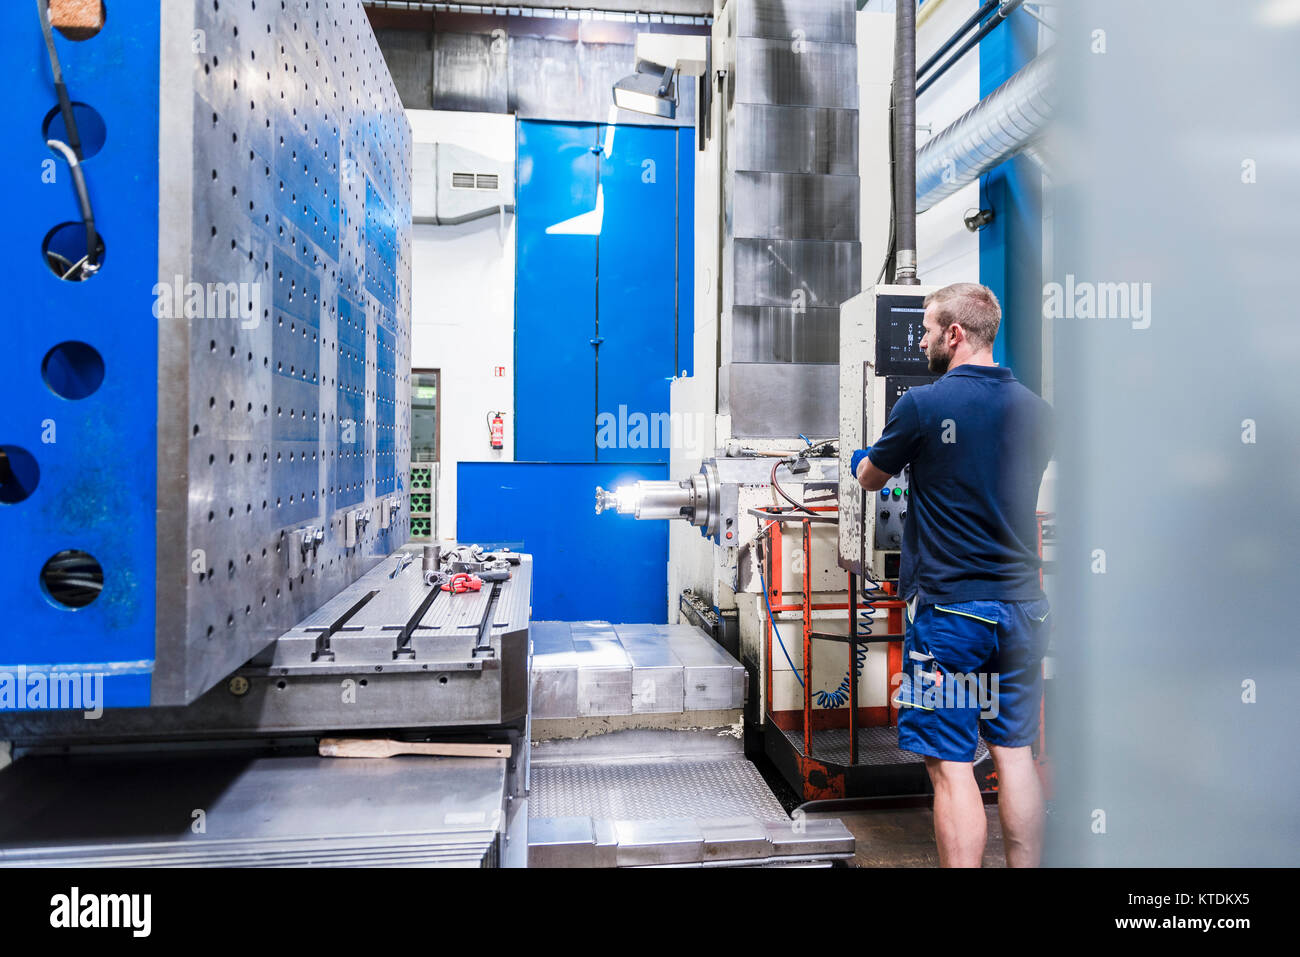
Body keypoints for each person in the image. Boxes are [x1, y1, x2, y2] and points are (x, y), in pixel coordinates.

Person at [851, 282, 1054, 867]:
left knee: (951, 765)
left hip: (950, 619)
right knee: (1015, 753)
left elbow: (870, 478)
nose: (921, 340)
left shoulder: (921, 405)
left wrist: (866, 454)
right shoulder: (1038, 411)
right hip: (1022, 609)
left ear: (955, 334)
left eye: (927, 329)